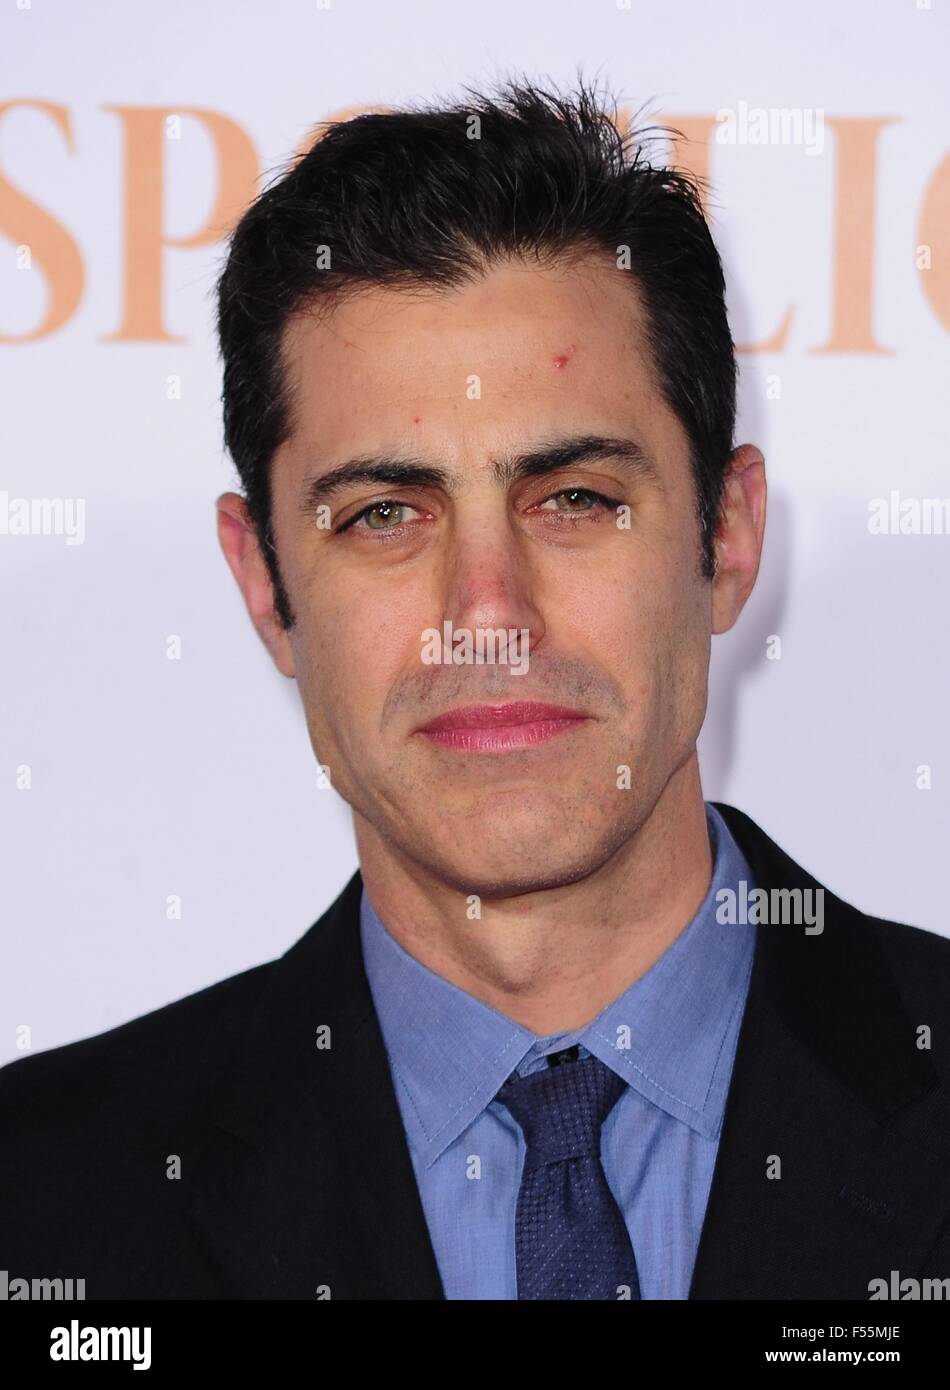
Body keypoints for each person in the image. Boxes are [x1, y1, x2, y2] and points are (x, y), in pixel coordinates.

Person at [3, 79, 949, 1301]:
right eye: (386, 514)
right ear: (263, 582)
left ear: (724, 538)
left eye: (574, 500)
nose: (488, 616)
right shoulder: (40, 1203)